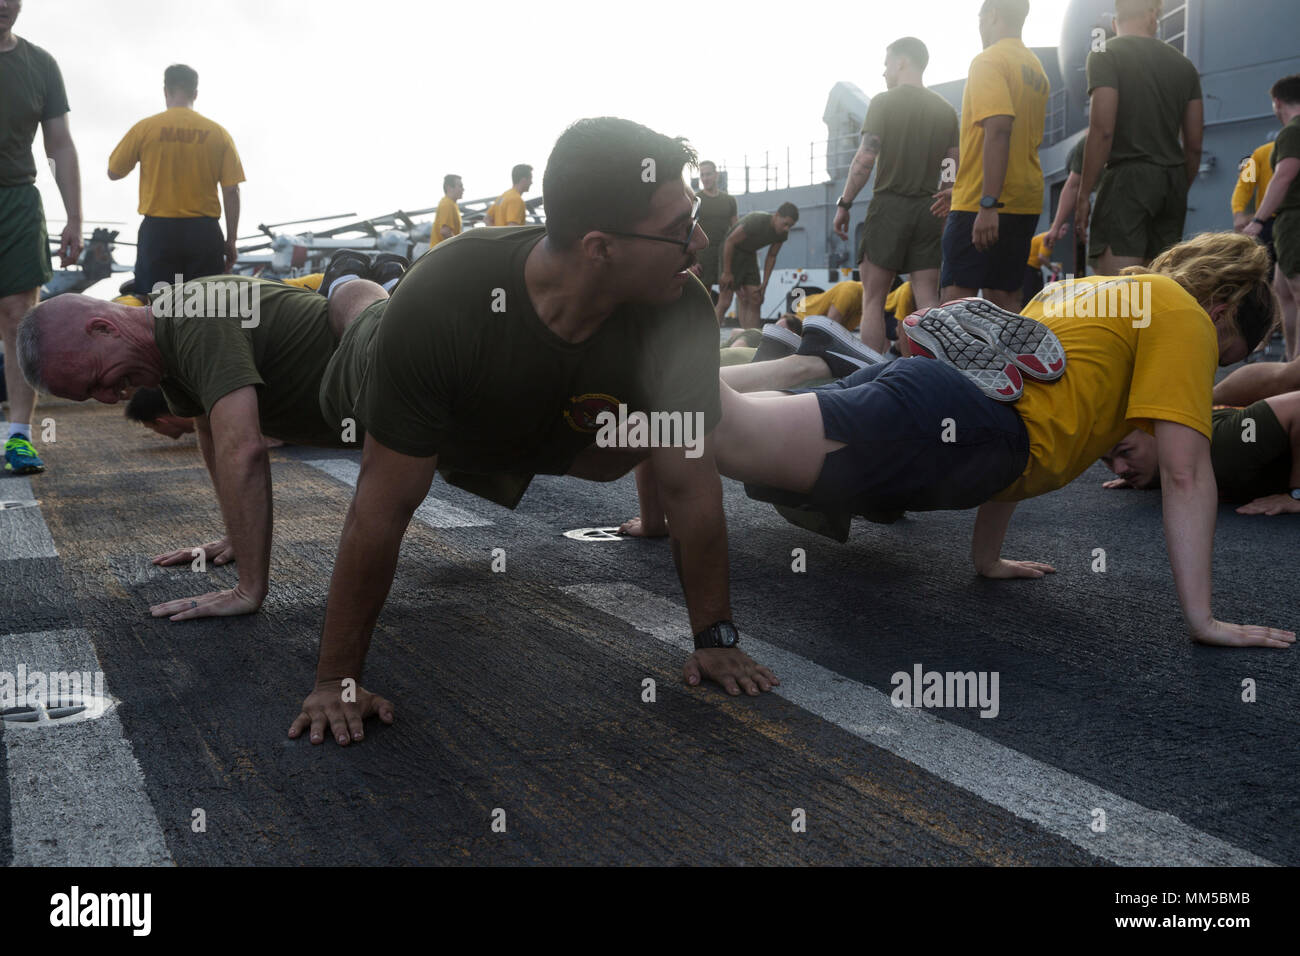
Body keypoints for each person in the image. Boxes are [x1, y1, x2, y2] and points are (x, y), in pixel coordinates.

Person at [639, 231, 1292, 649]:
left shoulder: (1099, 293)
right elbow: (1186, 472)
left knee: (734, 426)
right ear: (1220, 309)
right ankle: (653, 321)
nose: (1212, 364)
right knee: (729, 435)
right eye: (1224, 353)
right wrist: (1203, 620)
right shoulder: (1183, 316)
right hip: (951, 425)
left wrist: (988, 558)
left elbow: (1016, 410)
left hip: (943, 407)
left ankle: (647, 364)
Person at [832, 37, 959, 354]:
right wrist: (947, 194)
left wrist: (845, 203)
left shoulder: (883, 102)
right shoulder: (945, 111)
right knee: (929, 298)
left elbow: (865, 158)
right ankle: (935, 372)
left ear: (902, 62)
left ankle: (873, 378)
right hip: (930, 209)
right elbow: (951, 161)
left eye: (887, 63)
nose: (884, 71)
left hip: (890, 206)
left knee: (872, 300)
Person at [0, 0, 83, 476]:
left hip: (15, 203)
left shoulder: (41, 65)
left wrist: (74, 215)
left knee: (18, 321)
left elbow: (59, 144)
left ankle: (19, 437)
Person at [1076, 0, 1203, 276]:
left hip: (1127, 182)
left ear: (1115, 22)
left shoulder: (1105, 53)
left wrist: (1084, 194)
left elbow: (1102, 130)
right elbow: (1194, 145)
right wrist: (1180, 184)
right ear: (1153, 16)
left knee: (1118, 295)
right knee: (1159, 289)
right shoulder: (1184, 65)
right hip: (1172, 182)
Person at [939, 0, 1049, 312]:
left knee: (954, 307)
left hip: (984, 203)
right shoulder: (1035, 68)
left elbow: (999, 128)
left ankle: (952, 365)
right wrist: (960, 188)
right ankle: (1010, 363)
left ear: (992, 15)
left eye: (980, 19)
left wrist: (987, 202)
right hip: (1023, 199)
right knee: (1006, 301)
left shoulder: (988, 61)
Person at [108, 64, 245, 294]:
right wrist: (231, 240)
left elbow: (114, 172)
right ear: (195, 93)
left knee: (156, 308)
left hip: (158, 232)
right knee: (204, 309)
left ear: (166, 91)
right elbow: (232, 191)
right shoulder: (218, 133)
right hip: (204, 233)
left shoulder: (145, 129)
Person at [1100, 390, 1299, 516]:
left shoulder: (1223, 444)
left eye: (1125, 452)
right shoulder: (1161, 453)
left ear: (1155, 431)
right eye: (1107, 460)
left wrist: (1296, 494)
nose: (1118, 469)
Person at [1245, 75, 1300, 362]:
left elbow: (1284, 175)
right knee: (1283, 291)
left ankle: (1296, 370)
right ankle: (1292, 361)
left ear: (1277, 103)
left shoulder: (1292, 131)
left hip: (1294, 219)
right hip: (1289, 224)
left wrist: (1258, 220)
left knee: (1297, 292)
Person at [717, 203, 798, 328]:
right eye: (785, 223)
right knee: (725, 301)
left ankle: (750, 340)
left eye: (790, 226)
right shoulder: (757, 221)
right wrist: (727, 272)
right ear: (776, 216)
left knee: (756, 298)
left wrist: (765, 283)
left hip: (750, 255)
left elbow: (772, 256)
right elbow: (730, 241)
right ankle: (709, 339)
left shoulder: (782, 234)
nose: (787, 228)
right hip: (732, 252)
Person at [695, 160, 737, 305]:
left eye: (708, 174)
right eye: (702, 175)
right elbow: (687, 230)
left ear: (716, 175)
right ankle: (701, 328)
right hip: (702, 257)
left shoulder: (730, 200)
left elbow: (735, 229)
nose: (705, 178)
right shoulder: (696, 200)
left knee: (726, 300)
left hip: (724, 256)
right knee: (702, 301)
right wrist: (692, 262)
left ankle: (717, 326)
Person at [429, 174, 463, 248]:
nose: (463, 189)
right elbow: (445, 231)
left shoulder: (451, 204)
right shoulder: (447, 204)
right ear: (449, 188)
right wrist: (460, 248)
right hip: (441, 254)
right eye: (460, 186)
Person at [1024, 231, 1050, 305]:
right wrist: (1051, 267)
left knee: (1038, 293)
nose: (1064, 233)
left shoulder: (1047, 237)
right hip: (1030, 267)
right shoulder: (1047, 238)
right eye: (1063, 229)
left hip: (1035, 268)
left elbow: (1044, 256)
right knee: (1030, 295)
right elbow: (1041, 257)